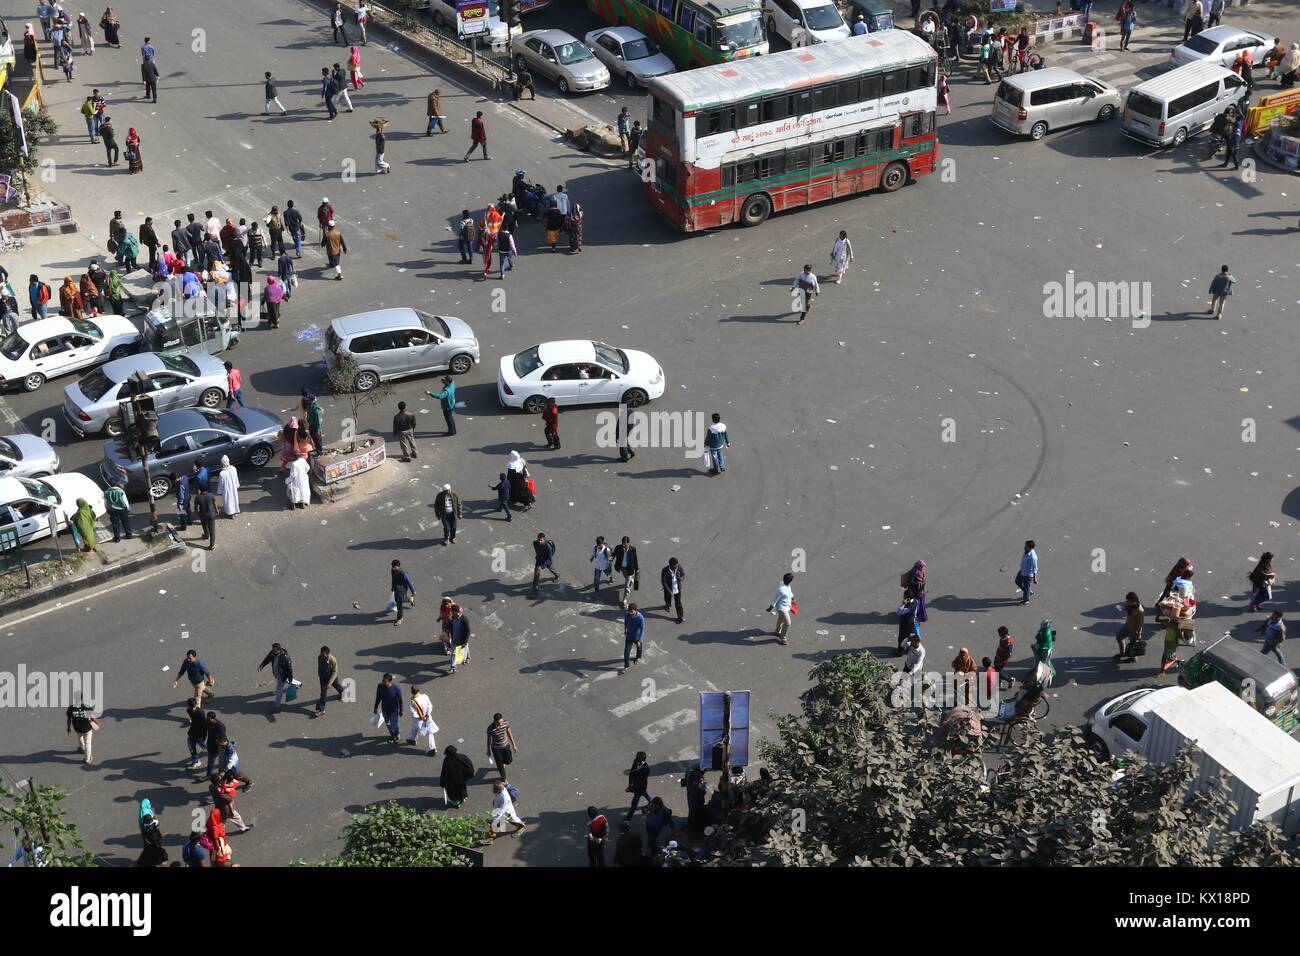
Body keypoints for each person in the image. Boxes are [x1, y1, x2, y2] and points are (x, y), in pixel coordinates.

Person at [405, 685, 438, 753]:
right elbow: (430, 706)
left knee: (417, 729)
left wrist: (421, 717)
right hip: (427, 718)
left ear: (412, 692)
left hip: (418, 720)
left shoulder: (413, 701)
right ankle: (413, 739)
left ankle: (413, 740)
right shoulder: (425, 696)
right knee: (428, 732)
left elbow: (413, 713)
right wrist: (427, 715)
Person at [314, 646, 345, 716]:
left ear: (328, 654)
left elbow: (335, 672)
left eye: (323, 654)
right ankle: (320, 709)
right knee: (323, 694)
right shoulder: (320, 657)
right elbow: (319, 666)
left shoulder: (333, 660)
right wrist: (320, 675)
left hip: (332, 677)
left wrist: (330, 683)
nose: (322, 656)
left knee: (336, 685)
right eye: (321, 653)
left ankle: (342, 691)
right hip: (323, 678)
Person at [487, 713, 518, 780]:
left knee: (509, 761)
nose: (500, 724)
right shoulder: (490, 728)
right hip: (496, 749)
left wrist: (514, 745)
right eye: (498, 723)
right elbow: (489, 740)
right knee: (500, 764)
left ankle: (503, 763)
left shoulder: (505, 723)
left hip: (505, 745)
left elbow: (509, 733)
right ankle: (504, 777)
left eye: (501, 721)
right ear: (494, 721)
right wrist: (488, 750)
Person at [1115, 591, 1146, 661]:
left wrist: (1139, 634)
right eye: (1127, 600)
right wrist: (1124, 606)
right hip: (1127, 625)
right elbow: (1125, 606)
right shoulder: (1129, 604)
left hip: (1134, 631)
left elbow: (1140, 624)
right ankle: (1122, 652)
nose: (1127, 602)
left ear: (1134, 601)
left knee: (1133, 646)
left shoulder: (1140, 611)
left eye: (1129, 601)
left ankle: (1133, 658)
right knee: (1119, 638)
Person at [137, 799, 167, 867]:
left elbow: (143, 828)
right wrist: (161, 834)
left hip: (147, 836)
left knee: (148, 849)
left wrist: (145, 838)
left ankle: (144, 862)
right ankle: (158, 861)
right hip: (153, 836)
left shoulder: (143, 812)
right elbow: (156, 827)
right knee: (156, 849)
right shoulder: (147, 815)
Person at [766, 572, 795, 644]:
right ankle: (783, 636)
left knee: (781, 619)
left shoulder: (784, 583)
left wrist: (793, 598)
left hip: (786, 606)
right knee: (788, 623)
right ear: (790, 581)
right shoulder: (781, 590)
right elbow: (775, 598)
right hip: (782, 608)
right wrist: (771, 607)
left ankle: (777, 631)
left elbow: (790, 592)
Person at [66, 694, 95, 765]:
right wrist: (97, 723)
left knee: (80, 737)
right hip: (87, 728)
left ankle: (82, 748)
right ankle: (88, 759)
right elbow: (92, 718)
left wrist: (68, 728)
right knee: (88, 743)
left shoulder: (71, 708)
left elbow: (69, 719)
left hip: (77, 728)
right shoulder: (87, 707)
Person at [373, 673, 402, 743]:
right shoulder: (380, 686)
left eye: (384, 681)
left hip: (394, 710)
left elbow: (400, 700)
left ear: (390, 681)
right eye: (383, 680)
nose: (383, 682)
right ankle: (392, 735)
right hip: (385, 709)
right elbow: (378, 698)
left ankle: (397, 734)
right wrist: (375, 708)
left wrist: (401, 710)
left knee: (394, 724)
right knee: (388, 723)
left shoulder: (396, 689)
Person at [611, 536, 639, 608]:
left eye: (625, 544)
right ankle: (631, 580)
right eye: (622, 544)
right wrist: (610, 558)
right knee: (627, 579)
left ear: (628, 543)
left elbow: (635, 559)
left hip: (630, 569)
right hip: (622, 568)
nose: (623, 545)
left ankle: (624, 601)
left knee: (627, 586)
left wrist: (637, 569)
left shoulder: (632, 549)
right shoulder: (618, 547)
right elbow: (614, 554)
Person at [530, 532, 558, 596]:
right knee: (536, 575)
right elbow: (538, 552)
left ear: (544, 540)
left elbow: (550, 560)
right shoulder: (535, 543)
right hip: (539, 560)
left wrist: (542, 566)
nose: (539, 541)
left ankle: (557, 575)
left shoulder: (548, 547)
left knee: (551, 568)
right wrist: (539, 562)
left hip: (546, 561)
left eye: (541, 540)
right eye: (538, 539)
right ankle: (535, 591)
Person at [389, 558, 416, 625]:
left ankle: (399, 619)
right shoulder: (392, 571)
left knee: (399, 604)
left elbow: (409, 583)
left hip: (402, 590)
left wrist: (413, 591)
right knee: (400, 600)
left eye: (394, 567)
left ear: (398, 566)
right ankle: (410, 599)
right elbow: (393, 579)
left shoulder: (403, 574)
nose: (393, 568)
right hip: (396, 589)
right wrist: (393, 586)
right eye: (392, 567)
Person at [626, 751, 651, 818]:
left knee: (634, 805)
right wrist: (630, 784)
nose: (637, 761)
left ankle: (627, 819)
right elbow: (632, 773)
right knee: (646, 795)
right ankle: (652, 804)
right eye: (637, 759)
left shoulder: (646, 769)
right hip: (637, 787)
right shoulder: (635, 761)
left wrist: (631, 789)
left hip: (640, 788)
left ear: (643, 760)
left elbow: (641, 782)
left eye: (639, 760)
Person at [661, 557, 685, 624]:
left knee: (678, 603)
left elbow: (683, 574)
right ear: (670, 565)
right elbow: (664, 582)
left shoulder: (679, 567)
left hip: (677, 589)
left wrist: (681, 578)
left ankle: (680, 617)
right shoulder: (665, 570)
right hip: (669, 589)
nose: (676, 567)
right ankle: (668, 605)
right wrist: (669, 591)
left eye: (677, 565)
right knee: (667, 598)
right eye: (675, 566)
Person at [904, 559, 928, 623]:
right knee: (912, 603)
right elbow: (911, 582)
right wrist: (918, 584)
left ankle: (914, 615)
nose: (923, 568)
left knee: (915, 603)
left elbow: (922, 579)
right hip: (914, 592)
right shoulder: (914, 572)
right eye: (922, 567)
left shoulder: (920, 571)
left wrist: (922, 583)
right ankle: (912, 616)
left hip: (919, 591)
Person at [897, 589, 920, 655]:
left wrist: (903, 604)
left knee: (902, 638)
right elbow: (915, 613)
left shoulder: (908, 607)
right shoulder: (915, 601)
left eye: (904, 595)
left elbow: (899, 611)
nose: (903, 597)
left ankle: (900, 651)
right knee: (909, 637)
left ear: (907, 597)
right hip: (912, 623)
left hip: (905, 624)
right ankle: (907, 650)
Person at [1015, 540, 1038, 604]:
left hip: (1027, 575)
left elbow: (1035, 568)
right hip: (1022, 570)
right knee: (1017, 581)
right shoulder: (1026, 551)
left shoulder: (1033, 557)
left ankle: (1026, 600)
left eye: (1026, 546)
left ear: (1030, 548)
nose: (1024, 547)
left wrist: (1034, 578)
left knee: (1026, 587)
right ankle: (1028, 591)